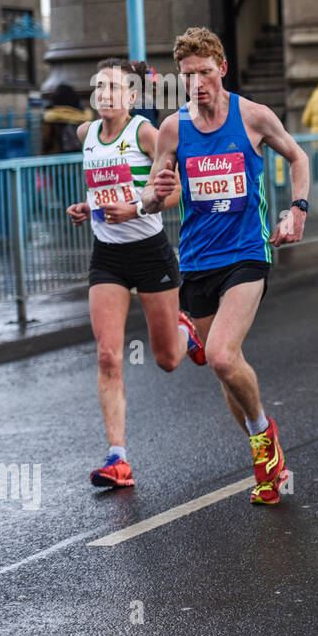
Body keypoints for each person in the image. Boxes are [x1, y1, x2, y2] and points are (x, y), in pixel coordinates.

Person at [142, 27, 311, 506]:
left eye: (204, 72)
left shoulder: (254, 117)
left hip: (246, 255)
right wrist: (154, 195)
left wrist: (297, 209)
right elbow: (157, 197)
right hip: (196, 261)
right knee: (226, 368)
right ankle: (268, 458)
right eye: (188, 74)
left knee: (219, 353)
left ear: (222, 69)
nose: (197, 82)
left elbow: (298, 156)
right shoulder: (174, 129)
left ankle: (263, 438)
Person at [65, 58, 207, 488]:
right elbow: (104, 188)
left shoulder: (145, 133)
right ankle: (117, 458)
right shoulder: (84, 134)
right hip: (107, 256)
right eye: (99, 86)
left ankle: (185, 331)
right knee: (108, 356)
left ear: (131, 96)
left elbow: (176, 189)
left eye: (114, 88)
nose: (105, 94)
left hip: (150, 254)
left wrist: (137, 208)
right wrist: (89, 208)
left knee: (166, 360)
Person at [41, 83, 95, 154]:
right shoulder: (85, 116)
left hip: (56, 158)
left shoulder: (50, 118)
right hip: (82, 155)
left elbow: (46, 141)